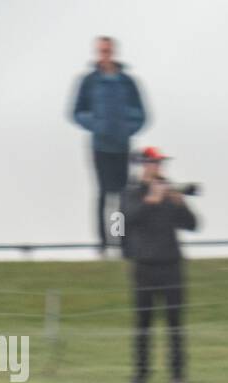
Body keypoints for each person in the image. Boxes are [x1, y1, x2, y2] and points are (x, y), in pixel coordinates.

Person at [121, 147, 197, 383]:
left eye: (159, 163)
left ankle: (178, 374)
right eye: (152, 163)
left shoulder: (168, 191)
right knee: (143, 323)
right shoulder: (131, 192)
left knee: (176, 322)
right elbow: (121, 224)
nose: (156, 168)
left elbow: (193, 225)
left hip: (171, 265)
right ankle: (141, 374)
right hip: (144, 266)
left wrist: (181, 203)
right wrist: (149, 201)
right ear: (143, 165)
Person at [71, 36, 147, 253]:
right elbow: (77, 112)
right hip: (100, 147)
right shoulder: (89, 81)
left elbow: (141, 113)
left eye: (108, 51)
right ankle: (103, 243)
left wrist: (127, 129)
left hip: (122, 147)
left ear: (114, 52)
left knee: (122, 196)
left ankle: (121, 240)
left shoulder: (128, 82)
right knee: (104, 195)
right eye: (101, 51)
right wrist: (97, 125)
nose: (105, 55)